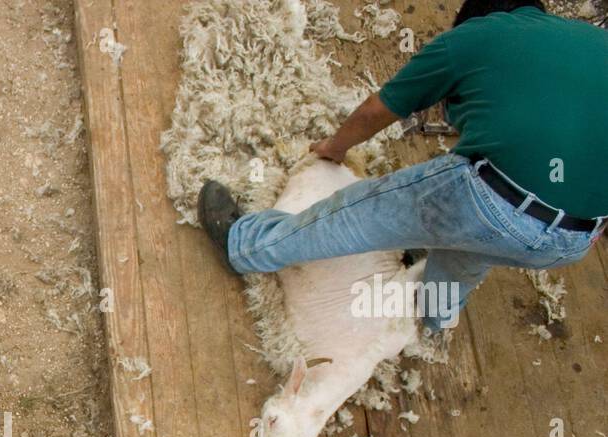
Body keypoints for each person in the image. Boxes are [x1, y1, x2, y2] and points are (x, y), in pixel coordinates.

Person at [198, 0, 608, 331]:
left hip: (491, 200)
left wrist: (335, 147)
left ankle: (247, 245)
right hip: (574, 240)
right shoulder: (589, 43)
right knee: (472, 251)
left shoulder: (478, 36)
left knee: (355, 215)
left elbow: (379, 110)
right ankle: (435, 317)